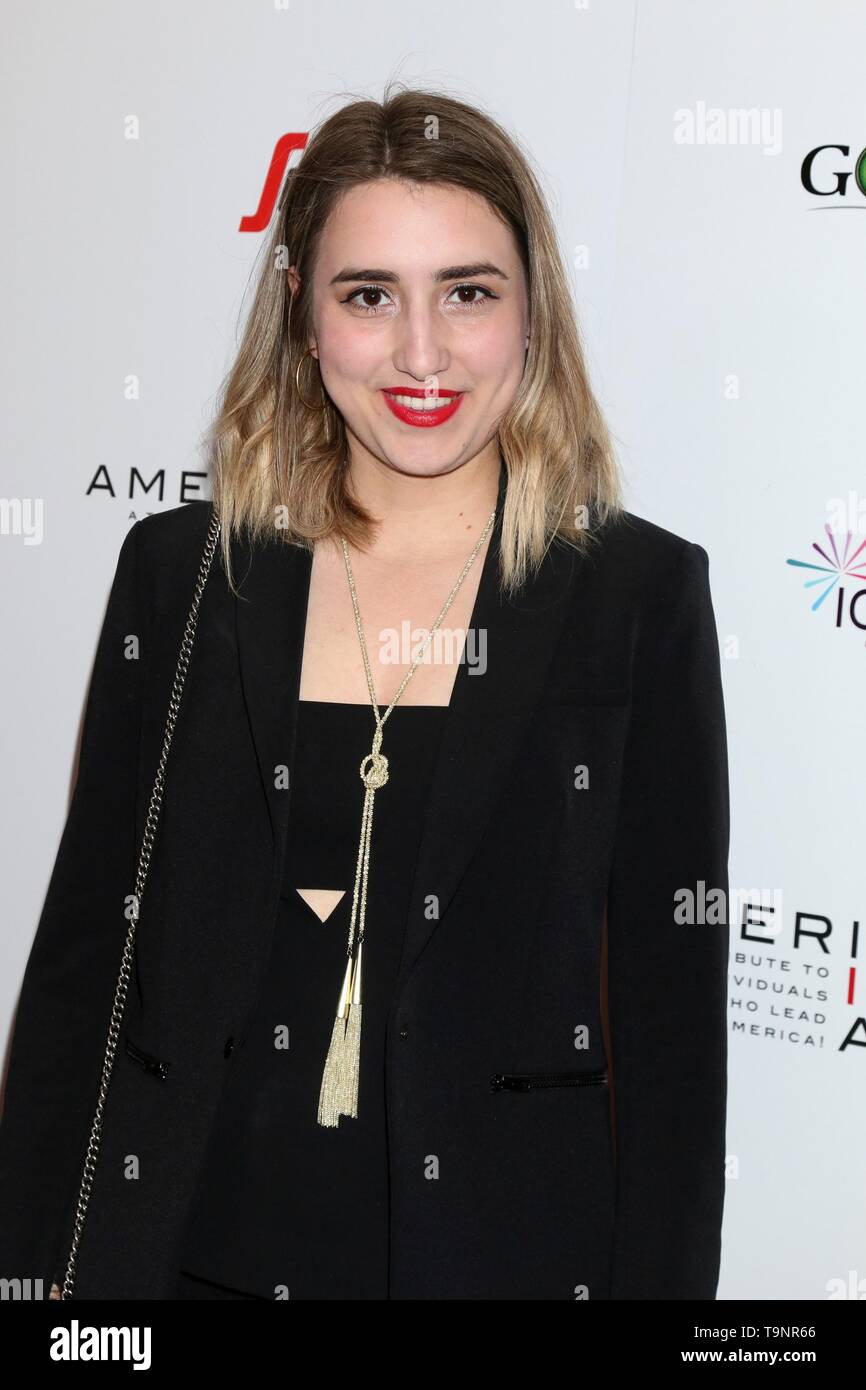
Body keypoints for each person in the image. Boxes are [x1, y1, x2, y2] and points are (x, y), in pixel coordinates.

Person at [0, 83, 730, 1301]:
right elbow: (88, 965)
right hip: (180, 1264)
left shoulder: (634, 596)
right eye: (368, 295)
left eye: (467, 292)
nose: (422, 354)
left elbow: (668, 1037)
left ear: (530, 311)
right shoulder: (184, 577)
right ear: (301, 311)